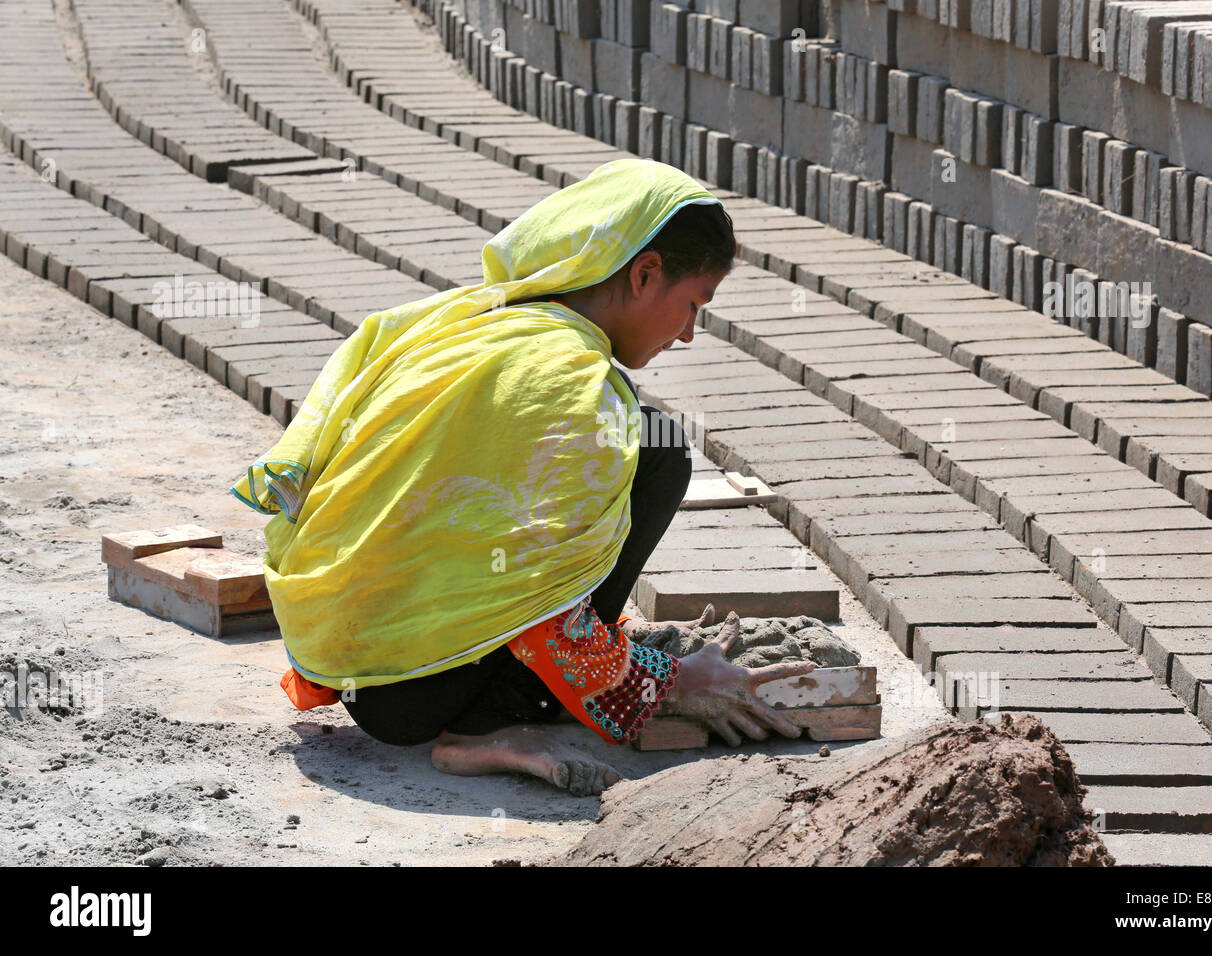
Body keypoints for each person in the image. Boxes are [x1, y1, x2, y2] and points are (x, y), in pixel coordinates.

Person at [231, 158, 814, 796]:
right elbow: (549, 612)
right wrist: (671, 684)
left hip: (347, 663)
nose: (689, 335)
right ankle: (491, 723)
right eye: (692, 305)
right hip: (425, 688)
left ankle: (497, 681)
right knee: (660, 449)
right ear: (647, 273)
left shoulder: (469, 324)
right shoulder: (571, 386)